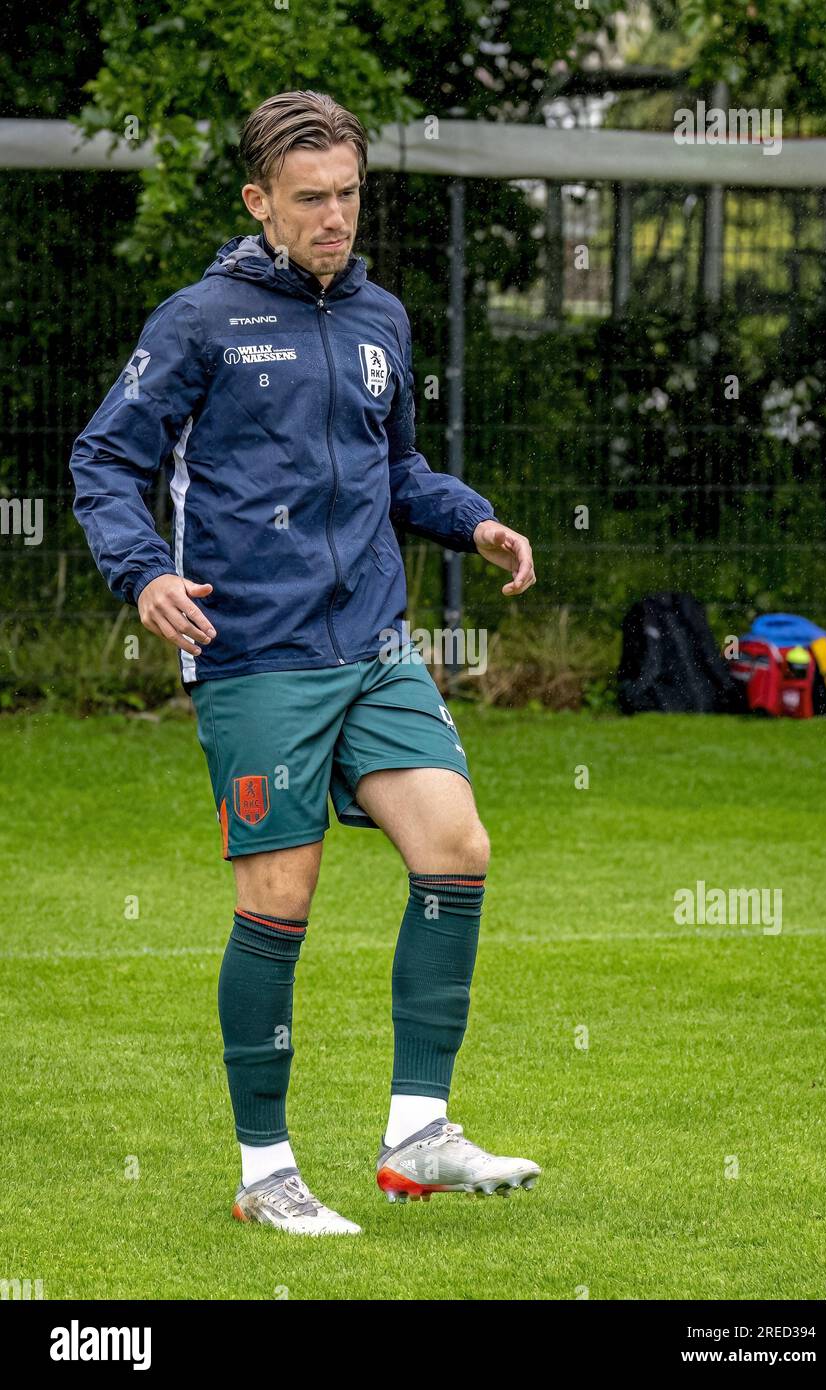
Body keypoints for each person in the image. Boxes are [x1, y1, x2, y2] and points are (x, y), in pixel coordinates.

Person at [70, 90, 540, 1235]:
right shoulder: (199, 321)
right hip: (255, 656)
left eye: (348, 195)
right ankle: (264, 1168)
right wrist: (143, 574)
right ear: (259, 203)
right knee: (280, 895)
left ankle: (417, 1133)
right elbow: (103, 457)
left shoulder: (380, 315)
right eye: (310, 200)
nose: (335, 218)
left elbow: (397, 473)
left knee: (456, 846)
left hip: (373, 645)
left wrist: (469, 520)